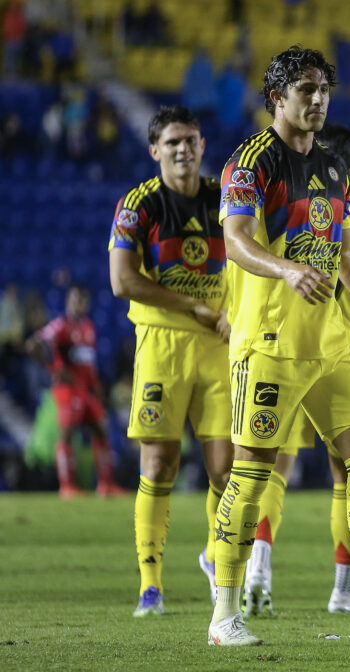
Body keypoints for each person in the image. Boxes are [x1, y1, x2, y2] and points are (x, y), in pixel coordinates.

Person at [209, 45, 350, 647]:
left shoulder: (333, 165)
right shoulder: (251, 163)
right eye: (305, 89)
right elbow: (235, 240)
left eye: (323, 88)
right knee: (250, 476)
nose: (317, 99)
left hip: (330, 348)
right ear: (277, 98)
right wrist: (285, 270)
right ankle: (224, 613)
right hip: (269, 343)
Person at [242, 124, 350, 619]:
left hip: (279, 342)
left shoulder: (280, 191)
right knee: (349, 471)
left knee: (271, 463)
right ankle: (344, 589)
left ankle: (258, 566)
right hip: (341, 349)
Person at [108, 105, 234, 618]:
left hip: (220, 347)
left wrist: (233, 314)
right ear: (155, 150)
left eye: (192, 140)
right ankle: (151, 586)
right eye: (173, 142)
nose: (184, 149)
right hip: (163, 344)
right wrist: (195, 307)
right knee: (159, 463)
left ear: (203, 145)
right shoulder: (140, 205)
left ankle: (218, 563)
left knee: (229, 471)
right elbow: (123, 280)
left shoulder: (224, 200)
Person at [27, 286, 126, 500]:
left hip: (88, 390)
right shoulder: (60, 325)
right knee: (68, 434)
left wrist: (96, 384)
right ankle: (67, 486)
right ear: (69, 301)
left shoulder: (89, 327)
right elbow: (33, 345)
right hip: (68, 390)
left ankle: (106, 485)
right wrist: (53, 369)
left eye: (83, 299)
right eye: (76, 299)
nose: (79, 303)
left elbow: (88, 362)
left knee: (101, 431)